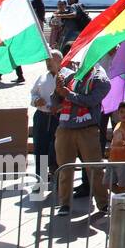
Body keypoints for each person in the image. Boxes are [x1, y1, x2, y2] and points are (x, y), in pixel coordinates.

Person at [53, 62, 111, 216]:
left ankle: (103, 202)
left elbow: (91, 100)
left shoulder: (100, 78)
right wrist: (57, 90)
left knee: (94, 169)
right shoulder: (69, 76)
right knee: (65, 168)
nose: (78, 63)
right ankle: (64, 203)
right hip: (65, 127)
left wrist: (68, 94)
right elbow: (55, 102)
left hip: (87, 128)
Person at [29, 51, 63, 191]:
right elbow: (33, 94)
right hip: (42, 116)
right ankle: (40, 179)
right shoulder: (42, 77)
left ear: (60, 61)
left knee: (57, 150)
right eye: (47, 61)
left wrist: (61, 107)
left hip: (58, 118)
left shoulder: (66, 77)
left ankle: (59, 179)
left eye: (51, 60)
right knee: (40, 148)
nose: (48, 63)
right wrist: (36, 100)